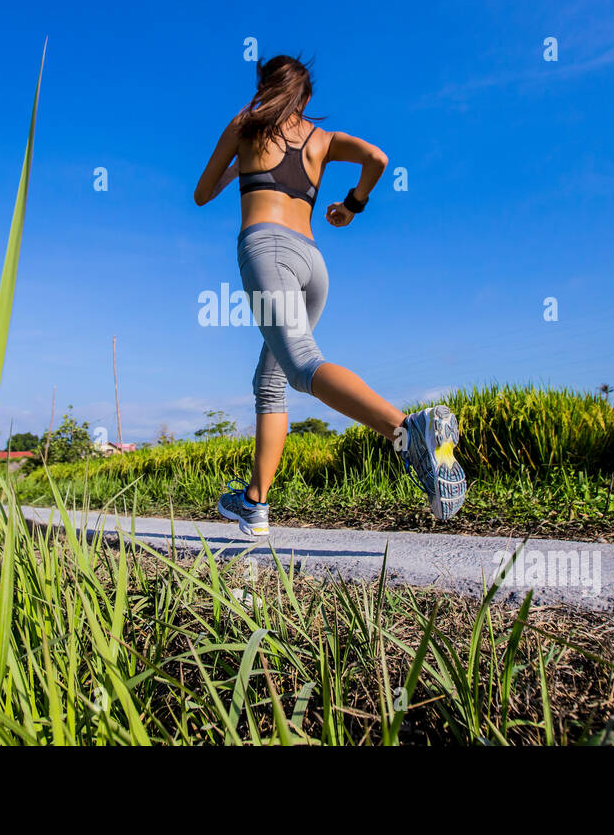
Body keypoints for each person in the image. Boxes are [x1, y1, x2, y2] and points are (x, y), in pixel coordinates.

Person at [193, 54, 467, 536]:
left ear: (264, 85)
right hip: (312, 264)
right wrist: (353, 205)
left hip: (266, 250)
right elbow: (377, 158)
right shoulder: (321, 139)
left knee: (300, 365)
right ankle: (255, 502)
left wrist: (240, 166)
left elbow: (201, 192)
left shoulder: (246, 124)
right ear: (307, 97)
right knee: (271, 380)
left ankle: (407, 429)